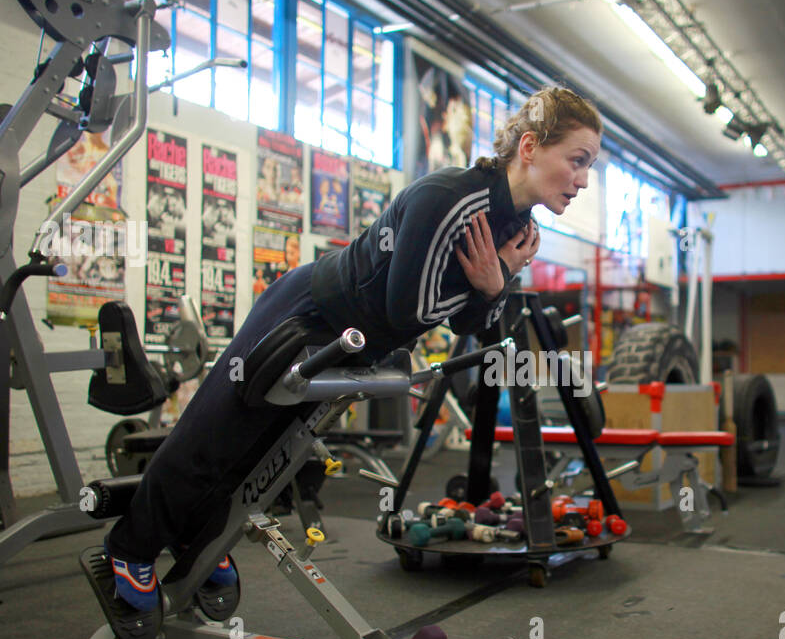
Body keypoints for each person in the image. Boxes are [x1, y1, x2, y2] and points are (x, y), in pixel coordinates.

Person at [104, 86, 602, 611]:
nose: (583, 180)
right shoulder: (448, 198)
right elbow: (403, 311)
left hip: (352, 345)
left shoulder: (519, 229)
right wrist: (494, 277)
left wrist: (495, 285)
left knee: (265, 453)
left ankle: (192, 535)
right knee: (218, 430)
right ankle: (130, 546)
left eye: (587, 166)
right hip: (306, 315)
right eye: (577, 160)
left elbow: (471, 324)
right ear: (529, 147)